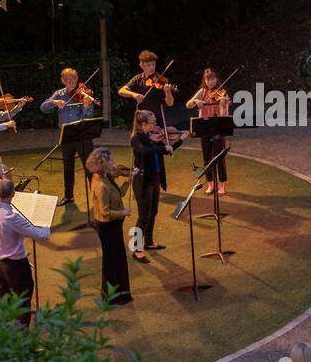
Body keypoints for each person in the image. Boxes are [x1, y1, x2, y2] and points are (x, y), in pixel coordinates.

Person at [0, 178, 51, 327]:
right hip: (15, 265)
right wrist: (45, 222)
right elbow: (42, 235)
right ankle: (21, 335)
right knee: (23, 298)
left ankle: (1, 330)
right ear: (13, 194)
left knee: (2, 296)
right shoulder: (11, 218)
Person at [129, 108, 189, 262]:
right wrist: (162, 147)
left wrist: (181, 139)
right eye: (153, 122)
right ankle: (136, 249)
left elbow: (167, 150)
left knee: (153, 212)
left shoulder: (152, 137)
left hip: (155, 179)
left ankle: (148, 242)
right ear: (143, 124)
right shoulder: (137, 138)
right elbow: (144, 151)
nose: (156, 125)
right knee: (143, 216)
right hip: (143, 181)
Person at [40, 67, 98, 207]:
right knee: (68, 167)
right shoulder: (59, 94)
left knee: (90, 166)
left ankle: (97, 195)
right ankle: (69, 196)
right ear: (62, 80)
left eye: (73, 79)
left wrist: (86, 106)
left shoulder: (83, 94)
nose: (71, 82)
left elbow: (89, 116)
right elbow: (43, 107)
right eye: (67, 80)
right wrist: (55, 103)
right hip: (66, 135)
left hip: (83, 135)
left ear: (77, 79)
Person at [86, 146, 133, 304]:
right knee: (111, 262)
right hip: (108, 228)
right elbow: (105, 213)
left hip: (114, 226)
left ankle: (120, 294)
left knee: (118, 260)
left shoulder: (105, 177)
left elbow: (120, 193)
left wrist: (128, 181)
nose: (114, 163)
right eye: (110, 160)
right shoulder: (101, 186)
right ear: (102, 163)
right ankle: (111, 298)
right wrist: (124, 213)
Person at [185, 67, 232, 195]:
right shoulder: (202, 91)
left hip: (217, 128)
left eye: (212, 79)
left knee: (219, 158)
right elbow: (188, 104)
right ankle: (210, 185)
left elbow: (225, 112)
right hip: (204, 128)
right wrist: (195, 101)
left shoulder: (222, 92)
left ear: (216, 79)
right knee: (207, 158)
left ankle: (221, 186)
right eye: (207, 79)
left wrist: (223, 103)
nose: (210, 82)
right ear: (204, 81)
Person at [118, 49, 176, 122]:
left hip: (156, 120)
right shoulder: (138, 78)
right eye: (149, 65)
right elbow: (121, 91)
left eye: (153, 64)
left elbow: (170, 103)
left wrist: (167, 92)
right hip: (142, 120)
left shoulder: (161, 80)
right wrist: (134, 95)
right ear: (141, 65)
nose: (152, 67)